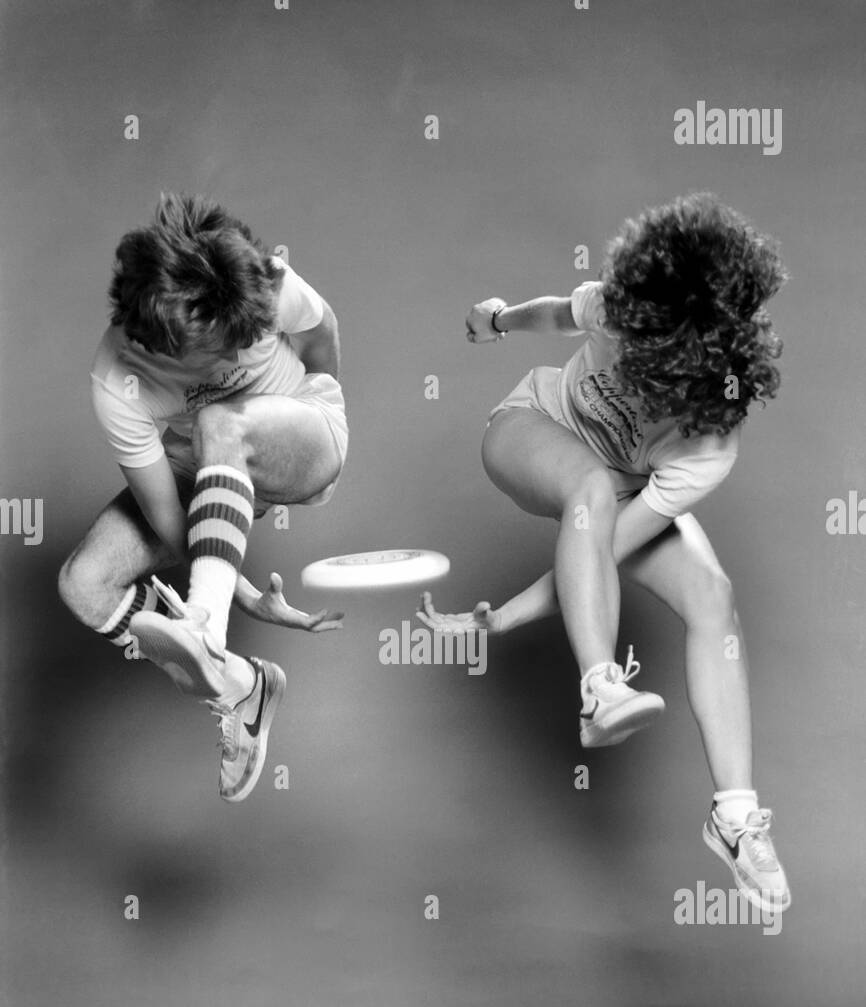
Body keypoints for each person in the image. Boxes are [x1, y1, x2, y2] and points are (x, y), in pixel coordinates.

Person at [419, 193, 790, 911]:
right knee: (589, 484)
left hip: (612, 500)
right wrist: (495, 320)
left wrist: (499, 620)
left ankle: (736, 818)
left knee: (713, 596)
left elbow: (605, 550)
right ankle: (600, 687)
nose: (649, 393)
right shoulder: (629, 308)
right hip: (528, 433)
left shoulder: (709, 449)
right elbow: (560, 312)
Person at [58, 193, 347, 802]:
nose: (243, 349)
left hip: (298, 430)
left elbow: (323, 333)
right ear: (162, 346)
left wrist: (317, 416)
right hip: (210, 473)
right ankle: (240, 684)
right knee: (83, 585)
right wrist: (240, 592)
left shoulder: (257, 282)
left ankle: (204, 627)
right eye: (223, 348)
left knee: (222, 422)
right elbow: (171, 521)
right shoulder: (119, 384)